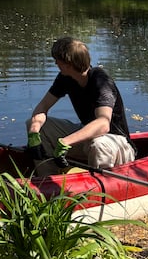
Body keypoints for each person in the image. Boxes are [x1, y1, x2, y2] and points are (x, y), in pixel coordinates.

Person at [25, 36, 136, 171]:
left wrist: (66, 142)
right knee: (36, 124)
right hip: (88, 139)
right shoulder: (65, 78)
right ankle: (48, 181)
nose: (55, 63)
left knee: (99, 144)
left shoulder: (101, 82)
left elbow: (103, 124)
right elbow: (42, 107)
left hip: (116, 144)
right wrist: (33, 133)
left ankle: (101, 187)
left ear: (68, 64)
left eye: (57, 60)